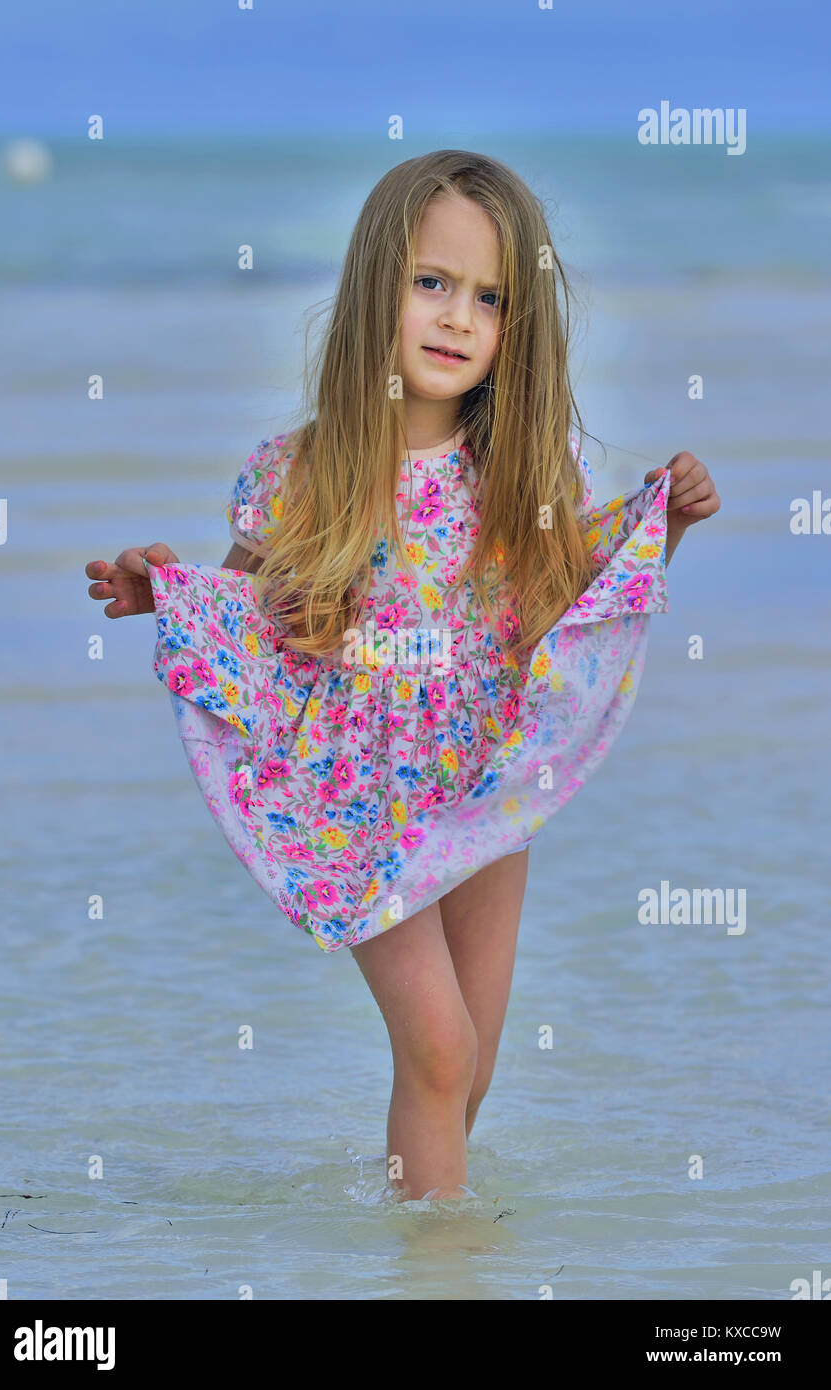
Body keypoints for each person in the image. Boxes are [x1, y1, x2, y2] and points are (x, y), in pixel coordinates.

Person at [84, 150, 720, 1203]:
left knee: (470, 1062)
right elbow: (247, 615)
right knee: (435, 1047)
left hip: (480, 772)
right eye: (433, 282)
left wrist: (669, 524)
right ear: (378, 281)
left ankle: (411, 1236)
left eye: (490, 297)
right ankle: (440, 1265)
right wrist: (164, 589)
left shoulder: (524, 468)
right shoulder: (301, 472)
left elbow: (568, 607)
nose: (457, 316)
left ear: (519, 325)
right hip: (358, 795)